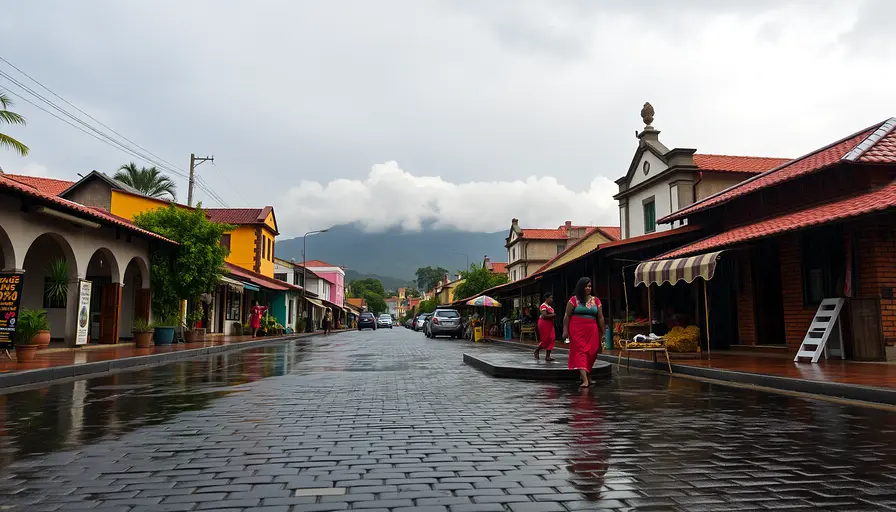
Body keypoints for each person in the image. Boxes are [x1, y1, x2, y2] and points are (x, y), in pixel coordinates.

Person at [562, 277, 606, 388]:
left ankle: (587, 373)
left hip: (592, 329)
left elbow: (600, 317)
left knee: (593, 352)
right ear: (581, 287)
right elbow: (567, 316)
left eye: (589, 286)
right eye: (585, 286)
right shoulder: (573, 300)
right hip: (577, 329)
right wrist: (565, 330)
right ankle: (585, 379)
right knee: (580, 352)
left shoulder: (596, 300)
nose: (588, 288)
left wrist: (603, 333)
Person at [534, 292, 557, 362]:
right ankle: (537, 350)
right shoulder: (543, 305)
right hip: (544, 323)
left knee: (551, 338)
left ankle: (548, 356)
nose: (552, 299)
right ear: (546, 298)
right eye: (550, 298)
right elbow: (544, 316)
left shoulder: (550, 307)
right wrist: (553, 315)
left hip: (550, 324)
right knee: (545, 339)